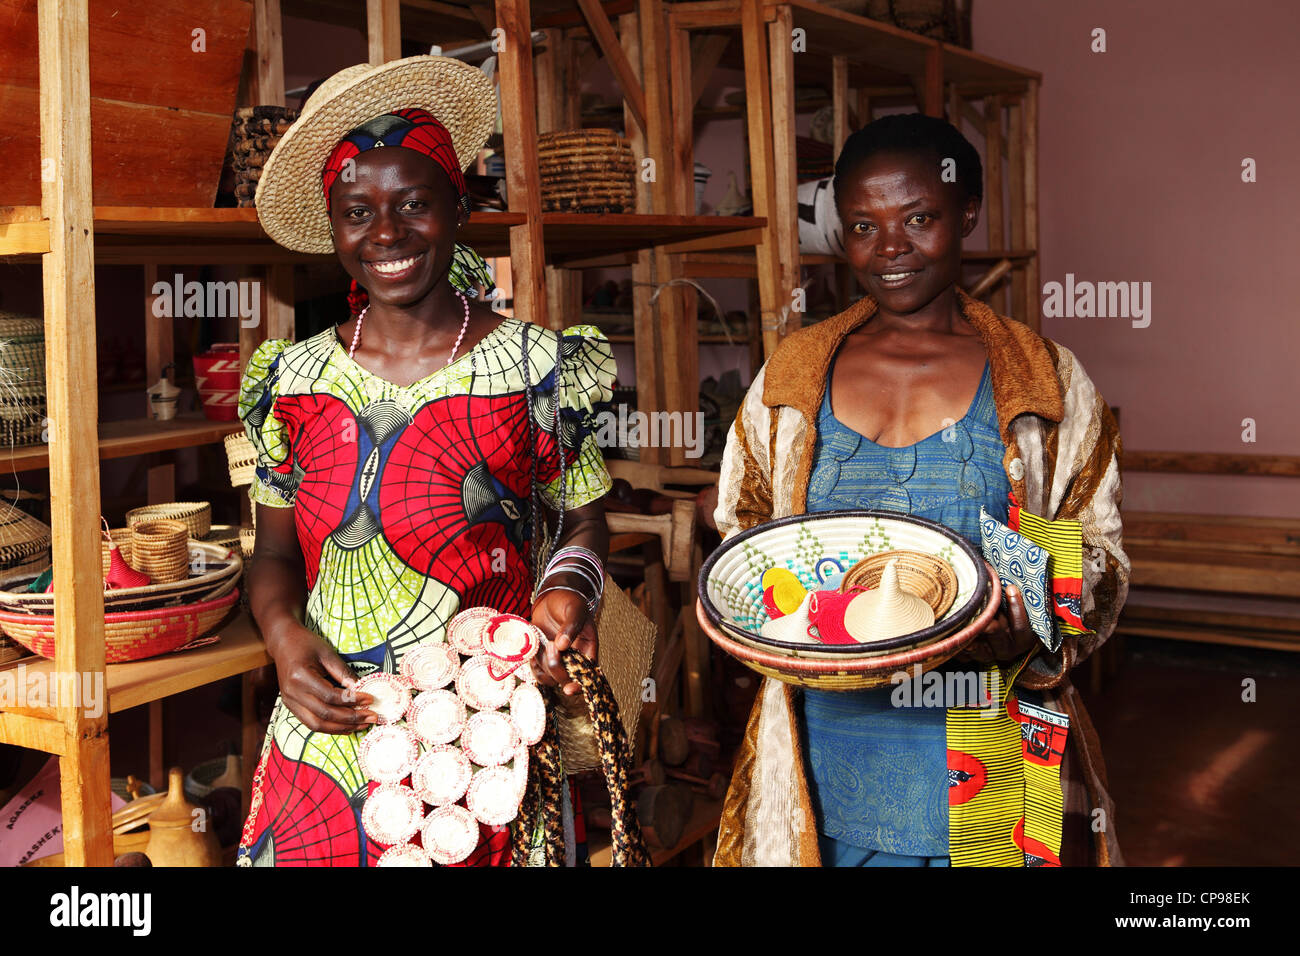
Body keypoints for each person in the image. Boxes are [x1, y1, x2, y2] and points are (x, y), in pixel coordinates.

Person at [712, 113, 1128, 866]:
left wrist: (1032, 615)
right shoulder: (792, 378)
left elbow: (1096, 545)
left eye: (919, 219)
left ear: (967, 213)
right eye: (864, 226)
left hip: (986, 746)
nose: (890, 248)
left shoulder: (1043, 380)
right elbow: (743, 527)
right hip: (824, 750)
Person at [234, 56, 615, 866]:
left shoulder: (538, 368)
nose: (385, 234)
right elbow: (270, 553)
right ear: (334, 227)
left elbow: (584, 518)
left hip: (481, 744)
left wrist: (567, 591)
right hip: (326, 739)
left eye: (414, 204)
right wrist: (283, 640)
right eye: (356, 211)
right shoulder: (292, 380)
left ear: (460, 207)